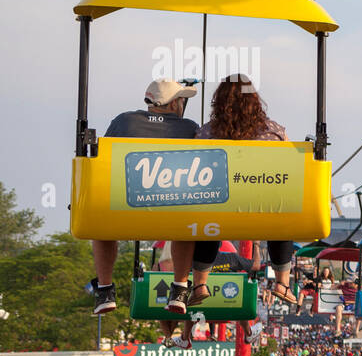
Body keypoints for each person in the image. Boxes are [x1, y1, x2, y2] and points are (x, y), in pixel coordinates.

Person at [88, 78, 201, 315]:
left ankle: (105, 290)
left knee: (100, 225)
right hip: (172, 213)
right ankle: (180, 288)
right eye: (181, 100)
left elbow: (101, 163)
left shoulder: (123, 121)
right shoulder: (189, 128)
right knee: (188, 220)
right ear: (172, 104)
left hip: (126, 211)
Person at [186, 75, 297, 310]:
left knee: (208, 218)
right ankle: (282, 283)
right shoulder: (275, 132)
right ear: (255, 102)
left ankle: (200, 284)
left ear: (219, 102)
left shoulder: (206, 133)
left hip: (220, 211)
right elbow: (292, 169)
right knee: (283, 219)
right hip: (262, 211)